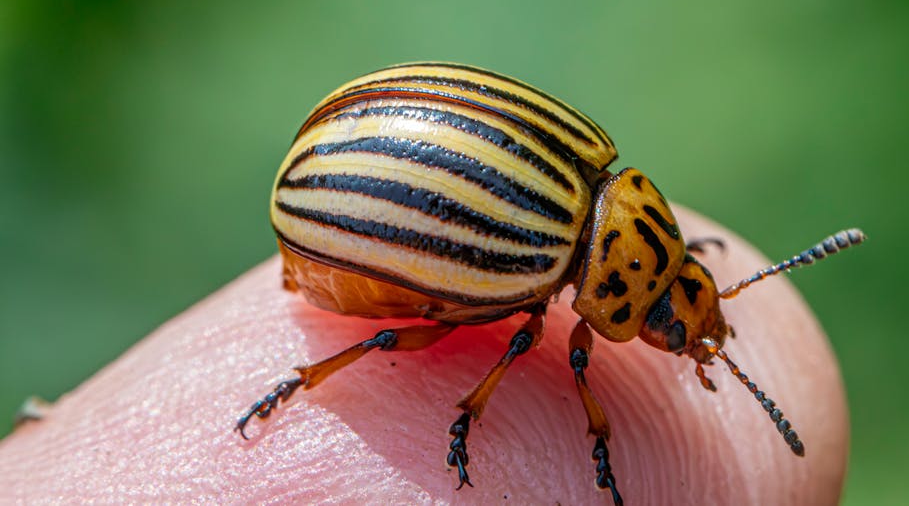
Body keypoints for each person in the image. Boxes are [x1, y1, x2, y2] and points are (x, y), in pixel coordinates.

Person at [0, 208, 848, 504]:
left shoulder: (595, 187)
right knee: (395, 339)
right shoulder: (559, 276)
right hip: (342, 235)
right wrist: (578, 434)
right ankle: (301, 382)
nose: (680, 332)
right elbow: (561, 356)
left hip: (361, 180)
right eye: (669, 317)